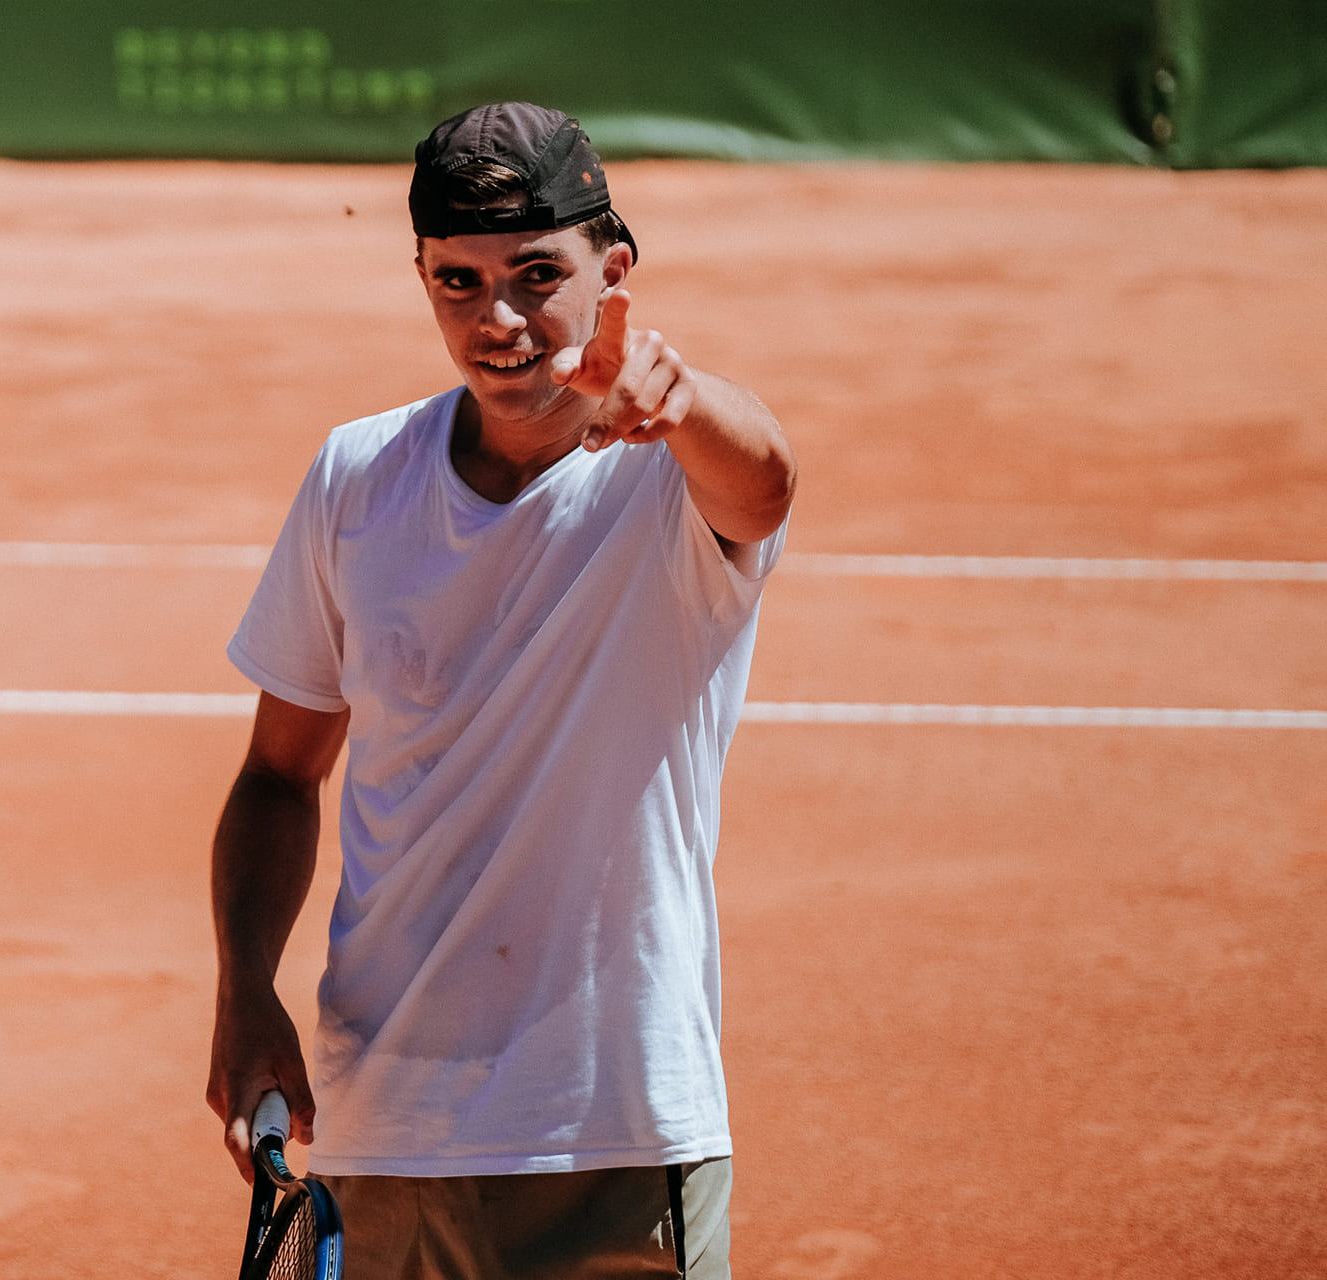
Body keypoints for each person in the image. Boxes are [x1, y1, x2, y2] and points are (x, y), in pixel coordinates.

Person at [206, 101, 797, 1279]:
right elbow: (279, 772)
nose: (501, 320)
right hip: (390, 1128)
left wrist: (674, 400)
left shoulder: (672, 482)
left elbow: (767, 483)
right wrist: (245, 990)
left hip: (617, 1127)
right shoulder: (356, 478)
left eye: (538, 274)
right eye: (458, 282)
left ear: (611, 268)